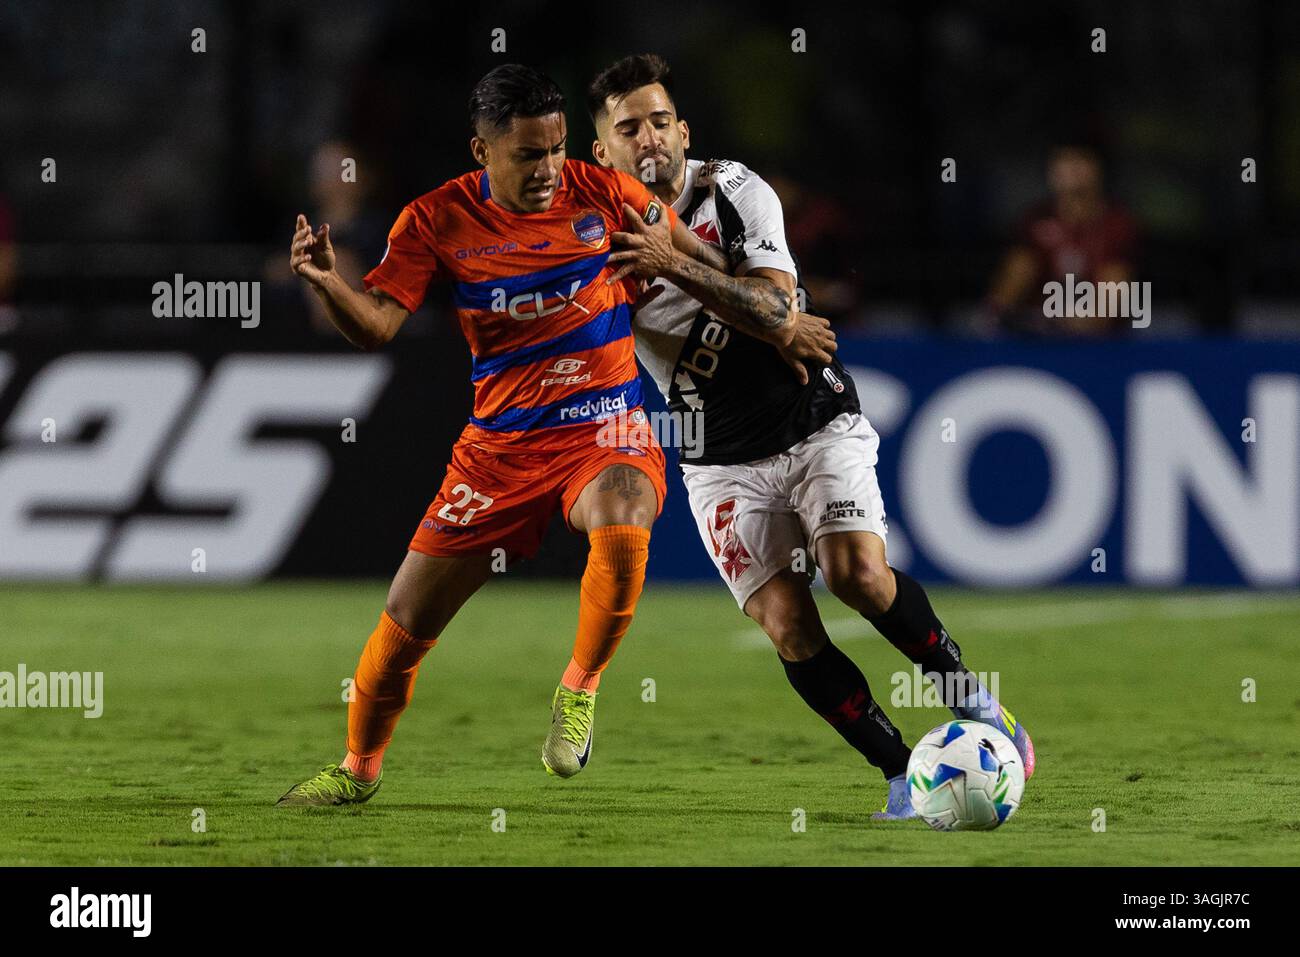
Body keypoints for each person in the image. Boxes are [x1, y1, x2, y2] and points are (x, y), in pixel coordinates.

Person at [276, 64, 809, 803]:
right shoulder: (434, 220)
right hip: (498, 449)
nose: (550, 168)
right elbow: (376, 326)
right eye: (529, 154)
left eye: (558, 148)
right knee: (404, 619)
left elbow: (704, 260)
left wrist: (776, 312)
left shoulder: (609, 194)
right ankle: (357, 770)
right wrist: (330, 282)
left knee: (625, 511)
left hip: (605, 425)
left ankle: (579, 688)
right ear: (482, 152)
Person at [589, 54, 1035, 819]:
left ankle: (978, 703)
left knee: (856, 572)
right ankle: (904, 774)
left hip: (810, 420)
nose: (650, 138)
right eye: (629, 128)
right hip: (715, 457)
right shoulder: (590, 232)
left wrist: (679, 259)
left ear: (684, 129)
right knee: (789, 625)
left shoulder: (735, 191)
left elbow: (775, 309)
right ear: (602, 152)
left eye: (661, 121)